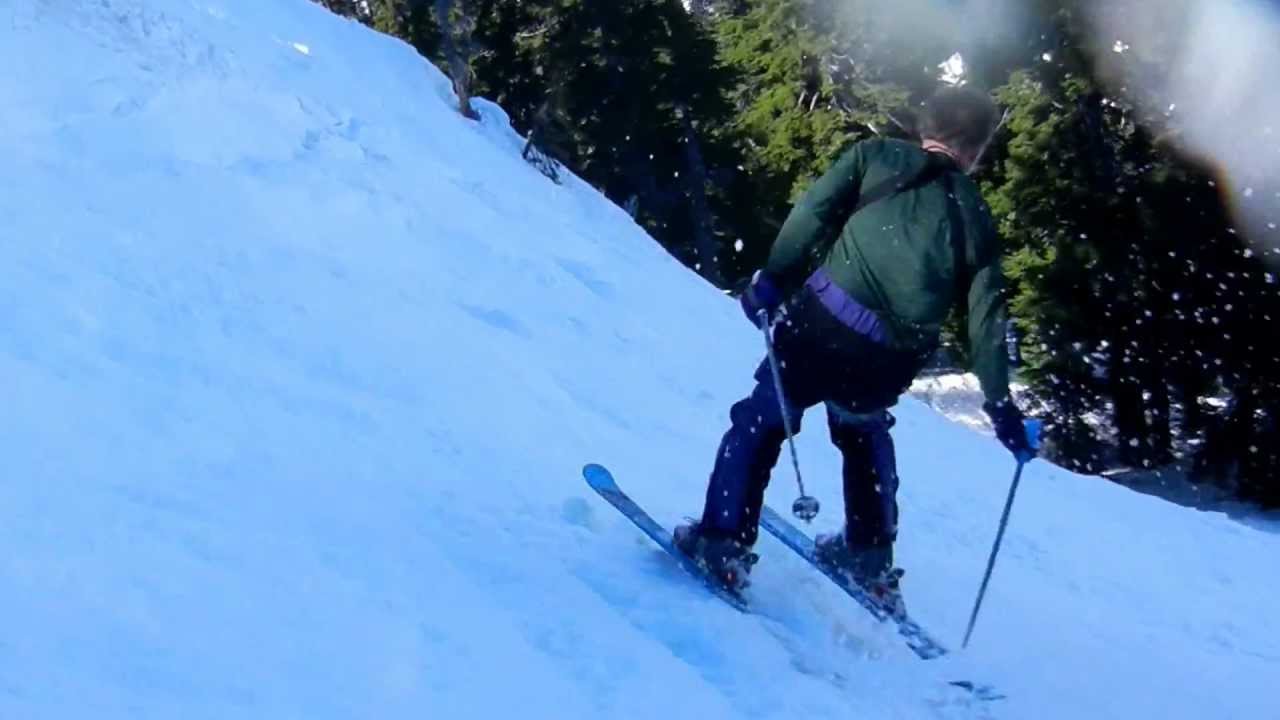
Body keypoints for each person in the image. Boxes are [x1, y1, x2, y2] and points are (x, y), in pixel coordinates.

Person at [674, 86, 1035, 607]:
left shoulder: (876, 157)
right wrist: (1000, 406)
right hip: (888, 360)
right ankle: (870, 560)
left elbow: (812, 216)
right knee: (863, 431)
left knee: (763, 420)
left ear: (924, 127)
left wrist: (774, 280)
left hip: (819, 327)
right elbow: (987, 319)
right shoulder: (976, 218)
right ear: (976, 151)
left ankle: (721, 542)